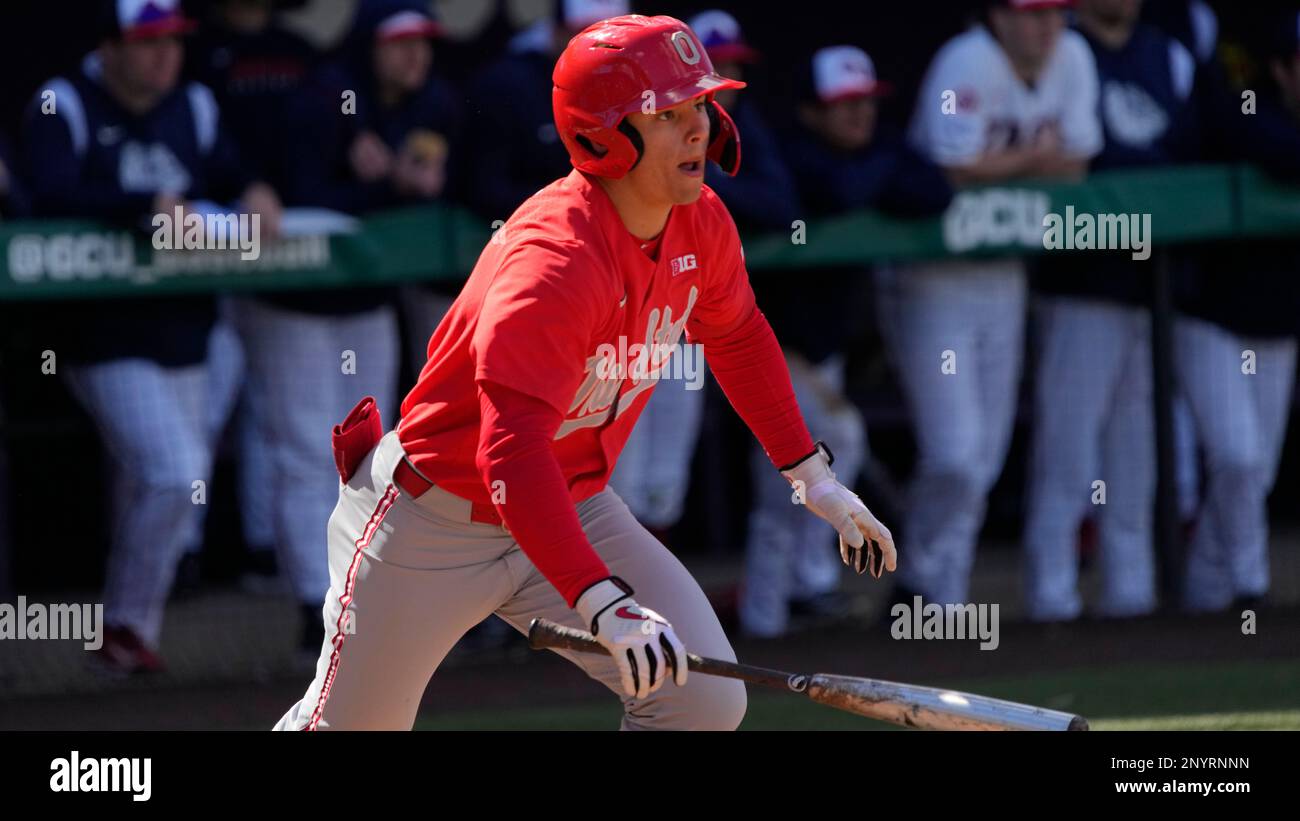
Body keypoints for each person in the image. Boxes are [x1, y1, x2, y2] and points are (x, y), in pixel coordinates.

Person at [274, 15, 895, 731]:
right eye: (668, 113)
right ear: (604, 135)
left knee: (702, 699)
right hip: (434, 519)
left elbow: (738, 336)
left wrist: (811, 476)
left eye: (699, 106)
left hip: (573, 503)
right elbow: (508, 451)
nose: (698, 128)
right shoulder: (554, 261)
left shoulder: (701, 220)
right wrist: (597, 596)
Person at [22, 0, 281, 672]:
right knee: (175, 473)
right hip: (98, 331)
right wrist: (142, 209)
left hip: (186, 324)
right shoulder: (64, 102)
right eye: (147, 43)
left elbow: (232, 171)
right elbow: (41, 198)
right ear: (108, 46)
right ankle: (125, 623)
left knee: (153, 482)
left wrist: (255, 191)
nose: (165, 55)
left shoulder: (191, 103)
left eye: (172, 41)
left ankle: (125, 637)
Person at [229, 0, 459, 664]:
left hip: (366, 302)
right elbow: (300, 200)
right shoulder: (324, 98)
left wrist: (398, 183)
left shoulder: (433, 102)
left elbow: (436, 191)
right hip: (291, 300)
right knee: (304, 449)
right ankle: (313, 608)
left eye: (423, 42)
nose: (415, 56)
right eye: (400, 43)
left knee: (374, 453)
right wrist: (384, 186)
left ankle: (359, 599)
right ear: (370, 44)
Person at [881, 0, 1102, 607]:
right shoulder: (966, 60)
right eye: (1031, 13)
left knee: (985, 457)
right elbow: (952, 165)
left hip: (1004, 273)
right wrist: (1035, 159)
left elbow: (1079, 163)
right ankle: (923, 577)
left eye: (1056, 13)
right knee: (953, 453)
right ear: (998, 16)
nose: (1046, 26)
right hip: (933, 275)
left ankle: (935, 594)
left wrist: (997, 166)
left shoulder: (1074, 56)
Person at [740, 44, 951, 638]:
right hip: (766, 345)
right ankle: (786, 600)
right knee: (805, 466)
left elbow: (934, 191)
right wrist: (876, 175)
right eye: (842, 105)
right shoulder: (792, 152)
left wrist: (876, 170)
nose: (859, 116)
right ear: (811, 111)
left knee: (813, 464)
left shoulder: (878, 149)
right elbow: (830, 191)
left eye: (865, 104)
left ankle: (789, 600)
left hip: (822, 349)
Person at [1022, 0, 1200, 621]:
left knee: (1138, 453)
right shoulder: (1061, 50)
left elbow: (1191, 150)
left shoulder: (1170, 54)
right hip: (1080, 280)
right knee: (1068, 449)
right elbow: (1076, 158)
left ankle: (1132, 596)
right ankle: (1051, 600)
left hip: (1154, 283)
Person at [1173, 10, 1300, 612]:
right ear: (1281, 69)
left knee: (1253, 476)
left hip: (1278, 330)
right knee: (1239, 459)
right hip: (1212, 320)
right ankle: (1251, 590)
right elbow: (1272, 150)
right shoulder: (1244, 104)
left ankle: (1208, 598)